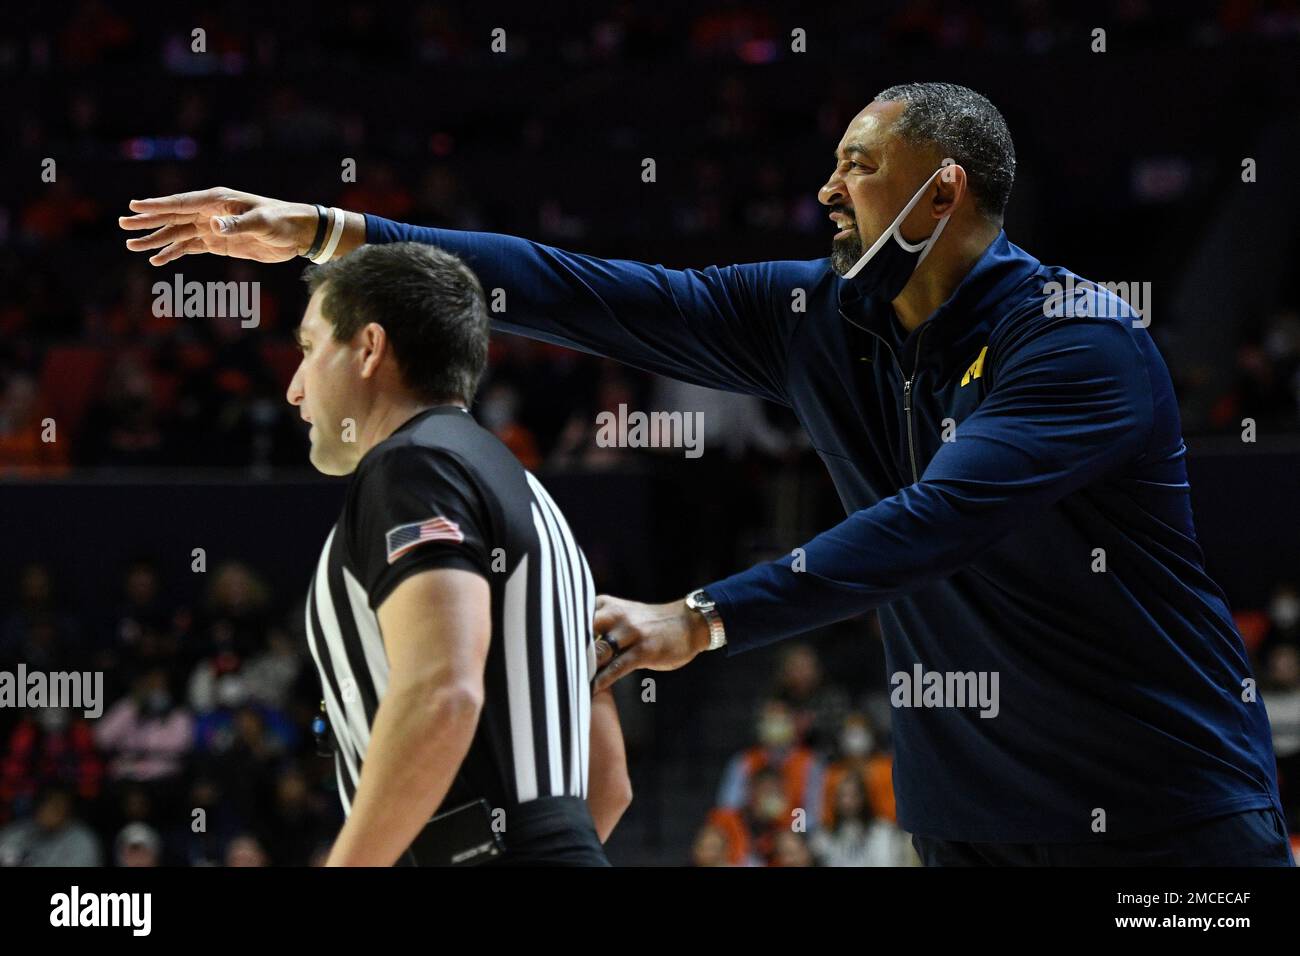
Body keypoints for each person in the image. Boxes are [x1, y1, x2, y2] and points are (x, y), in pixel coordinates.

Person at [119, 82, 1288, 865]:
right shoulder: (820, 318)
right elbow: (593, 288)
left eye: (859, 166)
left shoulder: (1076, 337)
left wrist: (704, 616)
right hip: (972, 824)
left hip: (1163, 815)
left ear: (943, 190)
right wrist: (336, 234)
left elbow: (933, 520)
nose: (829, 188)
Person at [293, 241, 627, 864]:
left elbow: (441, 693)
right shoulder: (526, 491)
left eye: (309, 349)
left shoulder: (412, 466)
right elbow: (607, 786)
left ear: (368, 349)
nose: (294, 388)